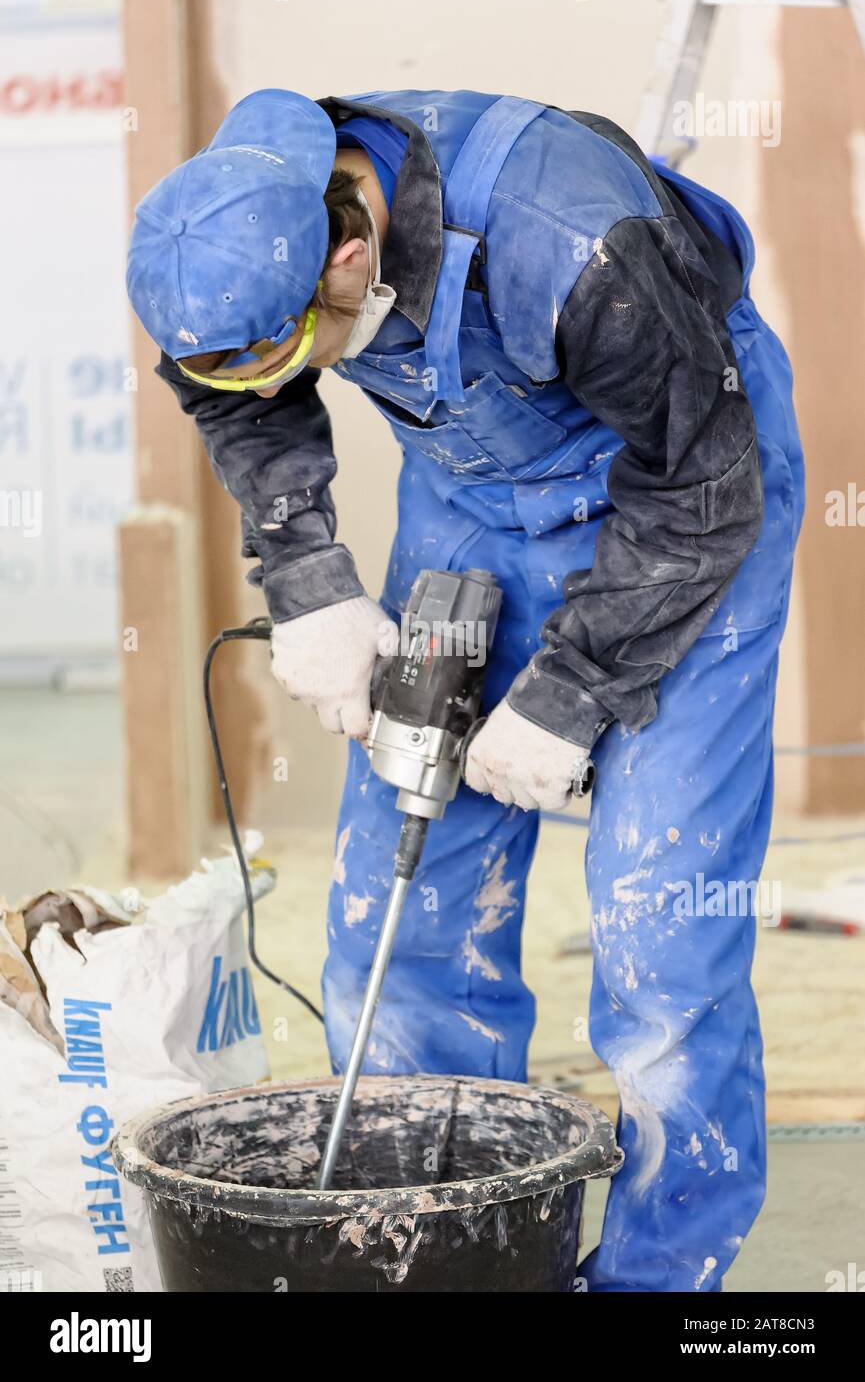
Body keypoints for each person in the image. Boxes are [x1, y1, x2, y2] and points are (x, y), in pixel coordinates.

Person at [127, 88, 804, 1291]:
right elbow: (234, 390)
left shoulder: (570, 238)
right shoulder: (232, 233)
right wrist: (305, 571)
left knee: (661, 937)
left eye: (297, 354)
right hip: (477, 502)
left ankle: (658, 1279)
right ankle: (438, 1260)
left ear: (350, 249)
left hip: (689, 496)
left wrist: (571, 691)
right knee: (400, 913)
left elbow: (702, 487)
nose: (274, 382)